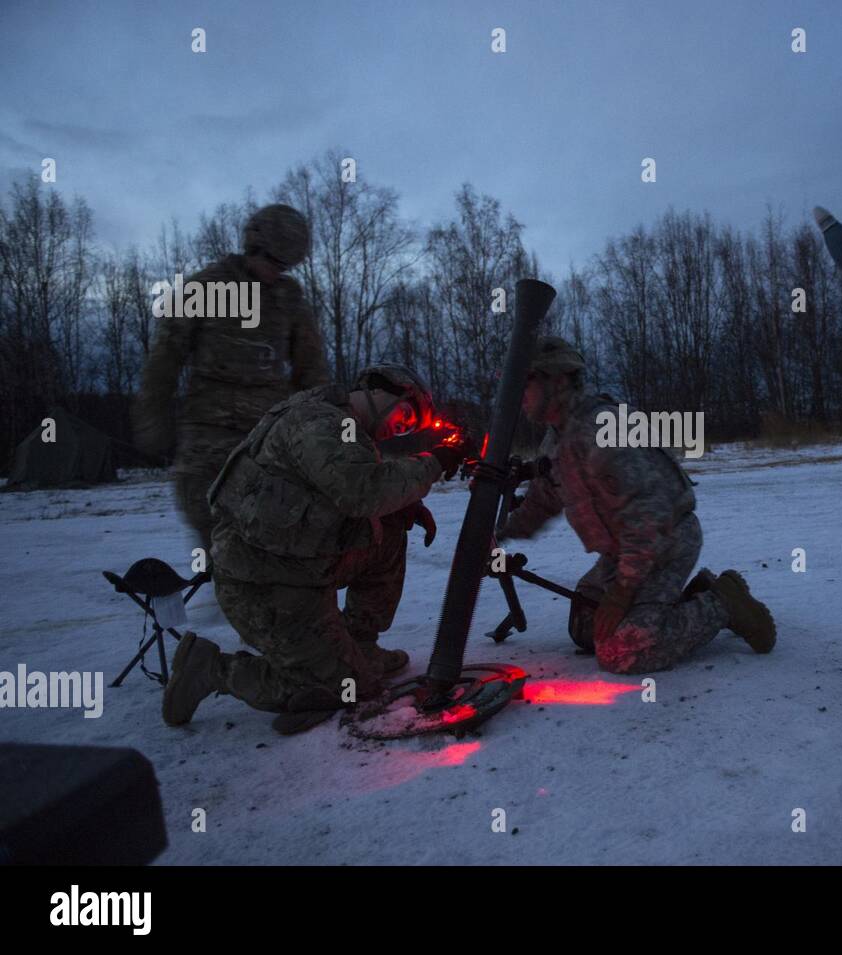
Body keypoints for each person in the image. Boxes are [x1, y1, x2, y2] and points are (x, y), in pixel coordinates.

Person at [161, 364, 464, 734]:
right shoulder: (320, 422)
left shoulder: (345, 428)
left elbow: (343, 492)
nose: (399, 429)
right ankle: (212, 669)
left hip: (299, 567)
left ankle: (358, 645)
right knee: (353, 688)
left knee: (390, 528)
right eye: (405, 417)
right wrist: (433, 463)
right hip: (262, 585)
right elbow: (361, 490)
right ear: (387, 392)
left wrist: (405, 505)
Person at [498, 336, 776, 675]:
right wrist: (500, 532)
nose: (518, 396)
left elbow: (649, 516)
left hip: (666, 541)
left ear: (556, 380)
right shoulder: (557, 439)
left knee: (621, 651)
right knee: (586, 627)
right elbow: (543, 500)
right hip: (624, 550)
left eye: (524, 383)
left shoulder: (605, 429)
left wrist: (621, 592)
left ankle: (723, 603)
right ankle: (685, 598)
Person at [133, 204, 330, 554]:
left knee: (276, 530)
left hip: (266, 437)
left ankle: (254, 598)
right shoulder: (207, 287)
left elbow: (310, 368)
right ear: (253, 247)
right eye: (272, 262)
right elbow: (164, 360)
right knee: (212, 526)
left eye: (284, 266)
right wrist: (153, 421)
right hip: (208, 436)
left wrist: (322, 426)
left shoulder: (288, 299)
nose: (276, 272)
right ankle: (226, 591)